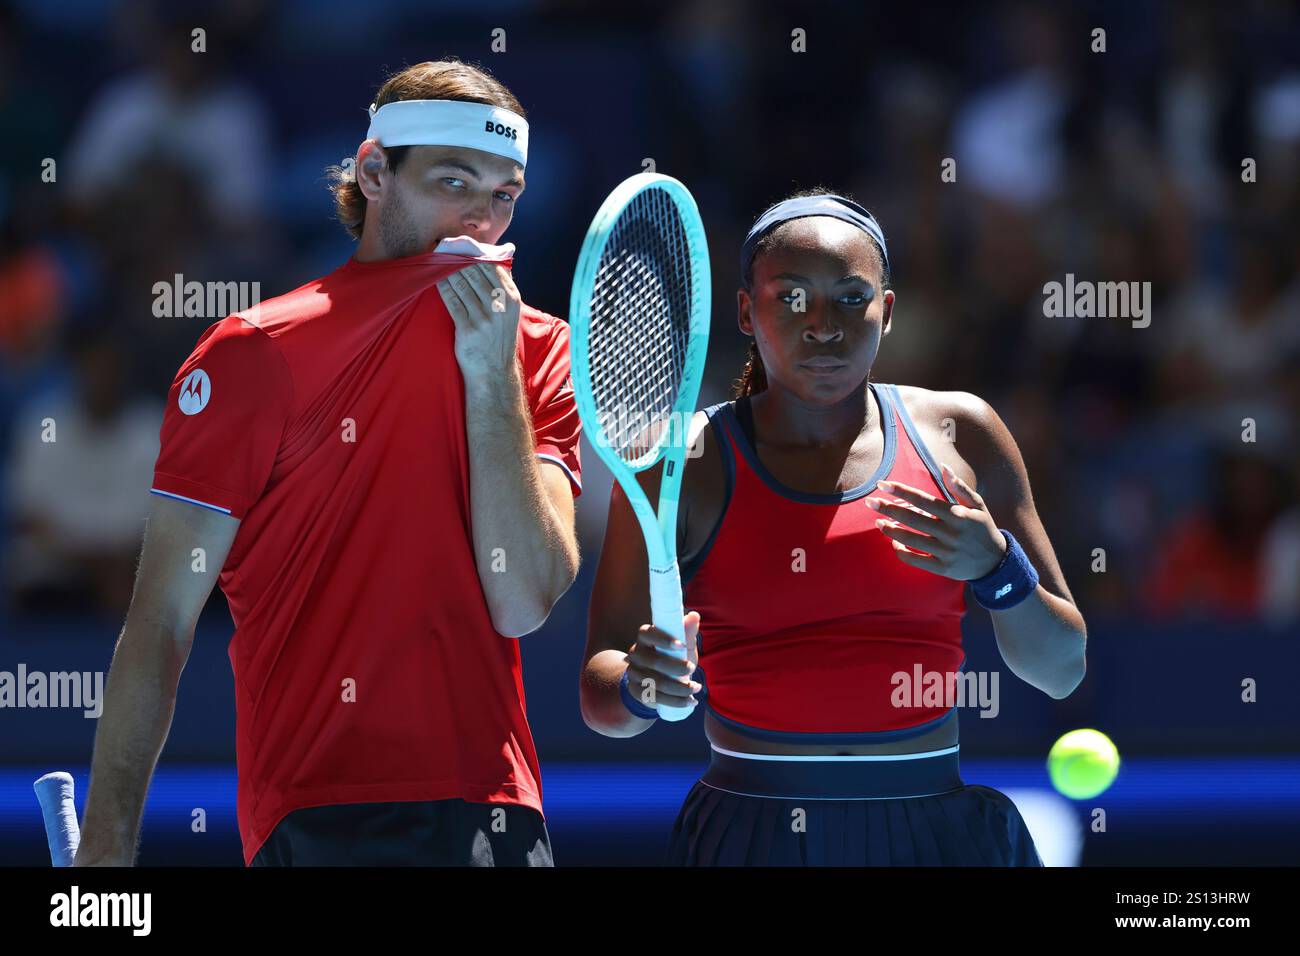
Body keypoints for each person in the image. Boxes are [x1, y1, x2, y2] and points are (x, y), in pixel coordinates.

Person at [75, 59, 581, 867]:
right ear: (376, 172)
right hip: (316, 814)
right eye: (455, 181)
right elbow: (161, 622)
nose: (483, 218)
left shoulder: (540, 352)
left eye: (504, 193)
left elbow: (523, 600)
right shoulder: (251, 354)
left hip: (496, 813)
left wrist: (490, 379)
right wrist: (103, 857)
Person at [582, 189, 1087, 865]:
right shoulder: (676, 462)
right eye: (791, 297)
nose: (823, 325)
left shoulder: (961, 431)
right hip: (750, 838)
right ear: (744, 311)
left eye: (852, 297)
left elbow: (1063, 670)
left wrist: (996, 568)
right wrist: (642, 687)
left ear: (889, 309)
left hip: (937, 839)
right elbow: (601, 695)